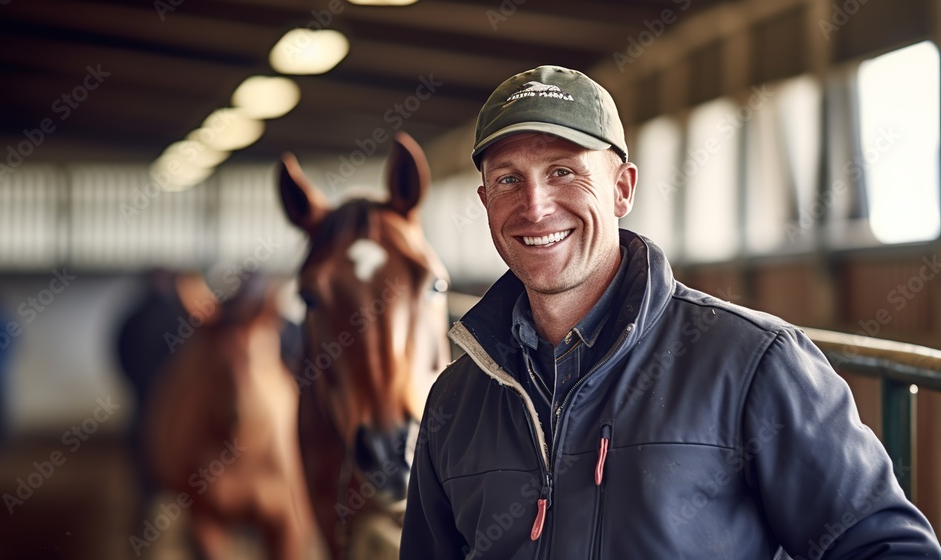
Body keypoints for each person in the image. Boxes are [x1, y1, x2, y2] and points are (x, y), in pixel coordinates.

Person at [399, 65, 941, 559]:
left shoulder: (754, 364)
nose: (535, 206)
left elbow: (885, 549)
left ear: (622, 189)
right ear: (485, 202)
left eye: (563, 171)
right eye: (509, 180)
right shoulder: (456, 400)